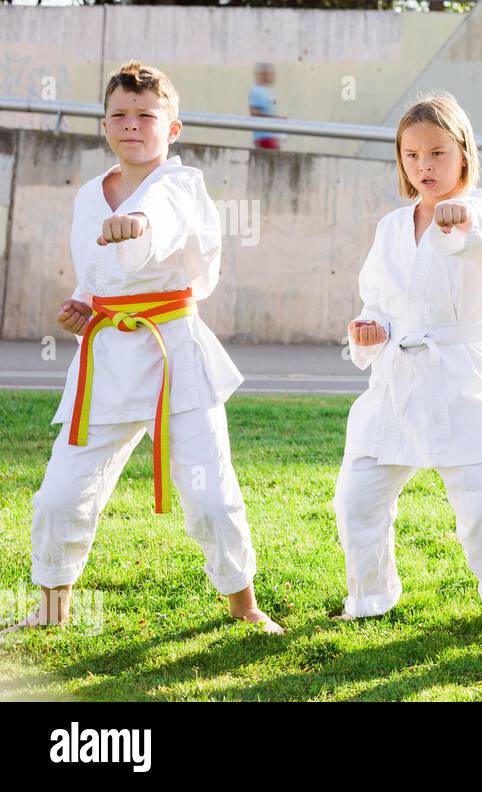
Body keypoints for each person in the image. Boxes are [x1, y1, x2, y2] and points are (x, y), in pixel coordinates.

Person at [5, 61, 281, 635]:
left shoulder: (181, 185)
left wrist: (137, 222)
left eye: (146, 116)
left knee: (208, 494)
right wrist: (84, 300)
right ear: (104, 125)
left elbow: (163, 221)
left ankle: (244, 605)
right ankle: (52, 605)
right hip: (105, 359)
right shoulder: (88, 196)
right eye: (120, 115)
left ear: (172, 128)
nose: (132, 125)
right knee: (59, 494)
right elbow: (97, 268)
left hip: (174, 354)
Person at [332, 94, 482, 637]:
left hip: (460, 374)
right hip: (396, 377)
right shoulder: (391, 227)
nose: (425, 166)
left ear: (463, 154)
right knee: (357, 497)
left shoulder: (481, 209)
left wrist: (460, 221)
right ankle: (370, 596)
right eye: (412, 154)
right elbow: (375, 301)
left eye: (438, 153)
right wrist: (366, 330)